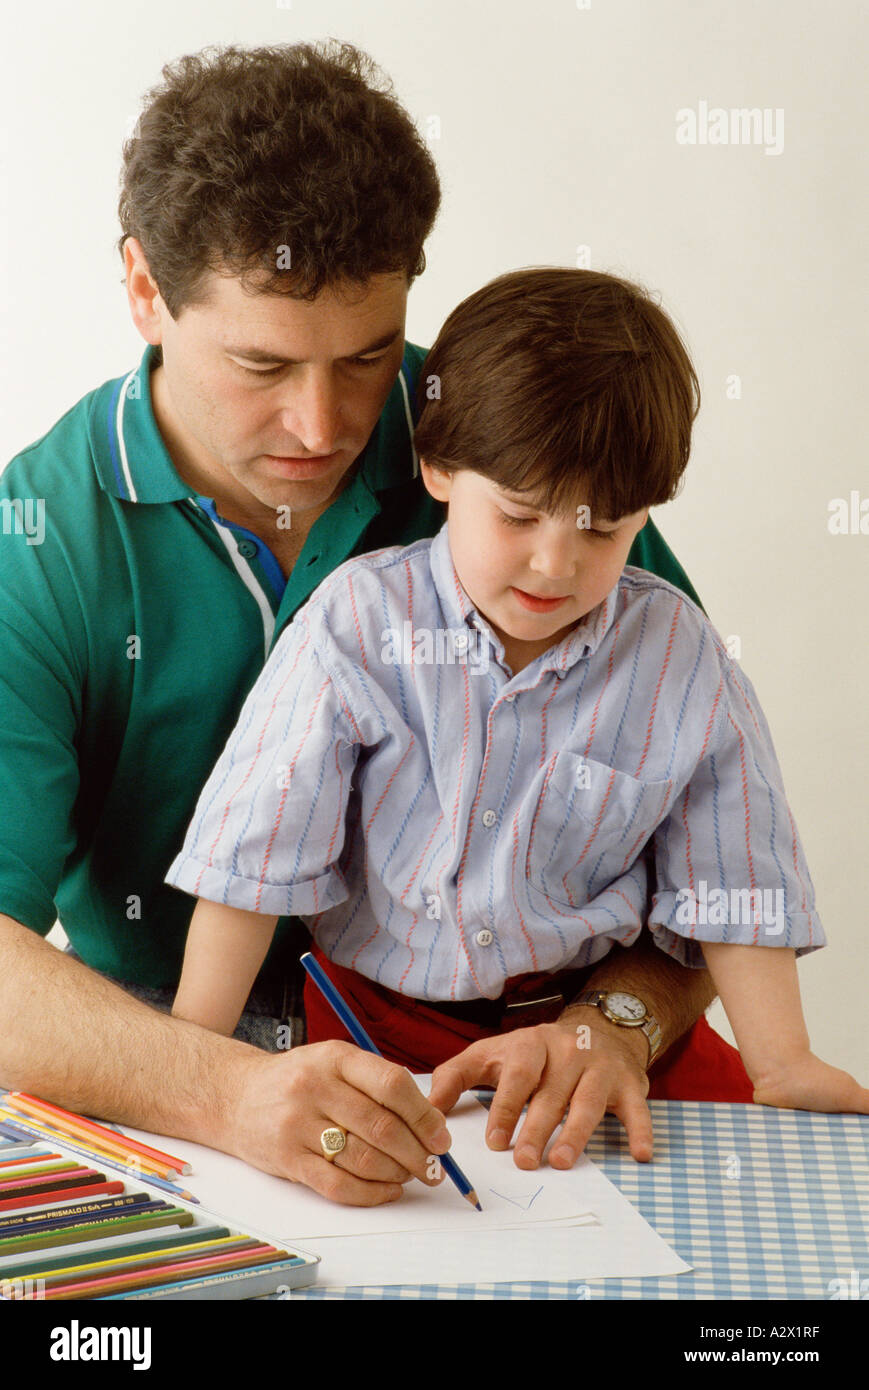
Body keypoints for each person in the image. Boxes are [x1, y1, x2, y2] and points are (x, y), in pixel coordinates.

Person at [0, 41, 753, 1208]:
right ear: (144, 289)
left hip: (518, 1091)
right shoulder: (35, 541)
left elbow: (711, 854)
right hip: (172, 1070)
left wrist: (613, 1023)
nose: (322, 421)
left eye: (364, 355)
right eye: (261, 362)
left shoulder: (519, 460)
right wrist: (223, 1086)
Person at [166, 266, 869, 1172]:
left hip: (608, 1024)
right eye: (519, 515)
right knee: (408, 1211)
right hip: (386, 1030)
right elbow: (251, 862)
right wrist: (199, 1058)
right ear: (439, 468)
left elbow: (736, 877)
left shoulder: (676, 653)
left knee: (726, 1193)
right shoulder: (356, 626)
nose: (553, 563)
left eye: (602, 530)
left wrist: (781, 1061)